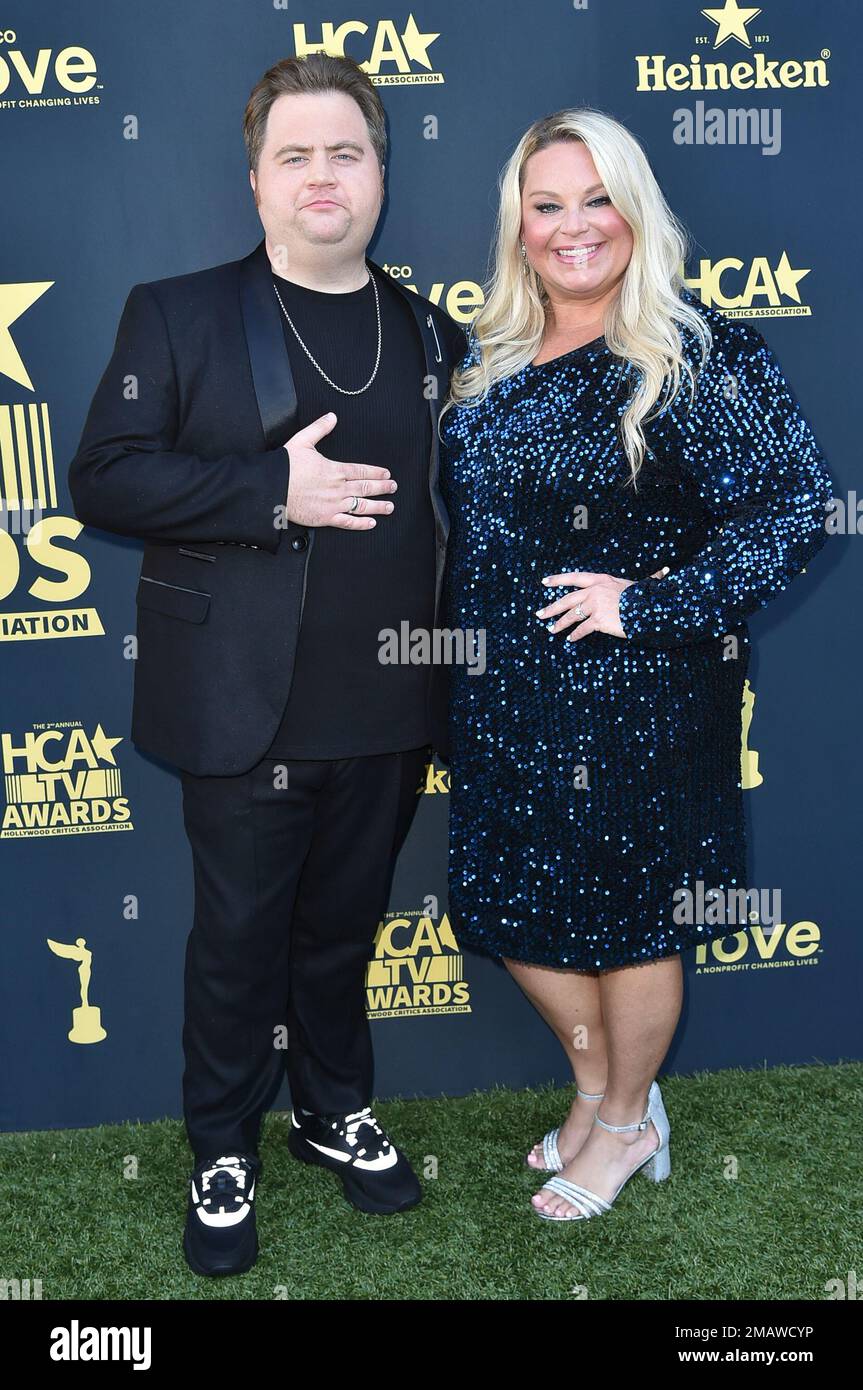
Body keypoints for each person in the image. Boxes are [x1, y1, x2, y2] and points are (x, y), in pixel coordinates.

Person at [68, 52, 467, 1275]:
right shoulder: (177, 313)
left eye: (344, 151)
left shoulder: (429, 330)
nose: (321, 175)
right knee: (239, 939)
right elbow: (102, 476)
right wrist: (270, 489)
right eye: (293, 154)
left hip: (390, 703)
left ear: (379, 174)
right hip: (241, 705)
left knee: (342, 932)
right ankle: (220, 1147)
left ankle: (330, 1111)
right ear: (255, 182)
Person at [438, 108, 833, 1222]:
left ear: (634, 209)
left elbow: (790, 506)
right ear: (517, 226)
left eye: (595, 198)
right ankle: (601, 1089)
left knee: (628, 920)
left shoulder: (686, 348)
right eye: (546, 203)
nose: (573, 226)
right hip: (501, 700)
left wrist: (654, 603)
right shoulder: (492, 355)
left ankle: (619, 1122)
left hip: (636, 703)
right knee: (507, 906)